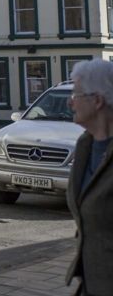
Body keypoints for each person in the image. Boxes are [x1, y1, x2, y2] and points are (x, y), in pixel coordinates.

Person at [66, 59, 113, 295]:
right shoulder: (85, 145)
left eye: (76, 93)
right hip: (91, 281)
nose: (70, 101)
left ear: (97, 100)